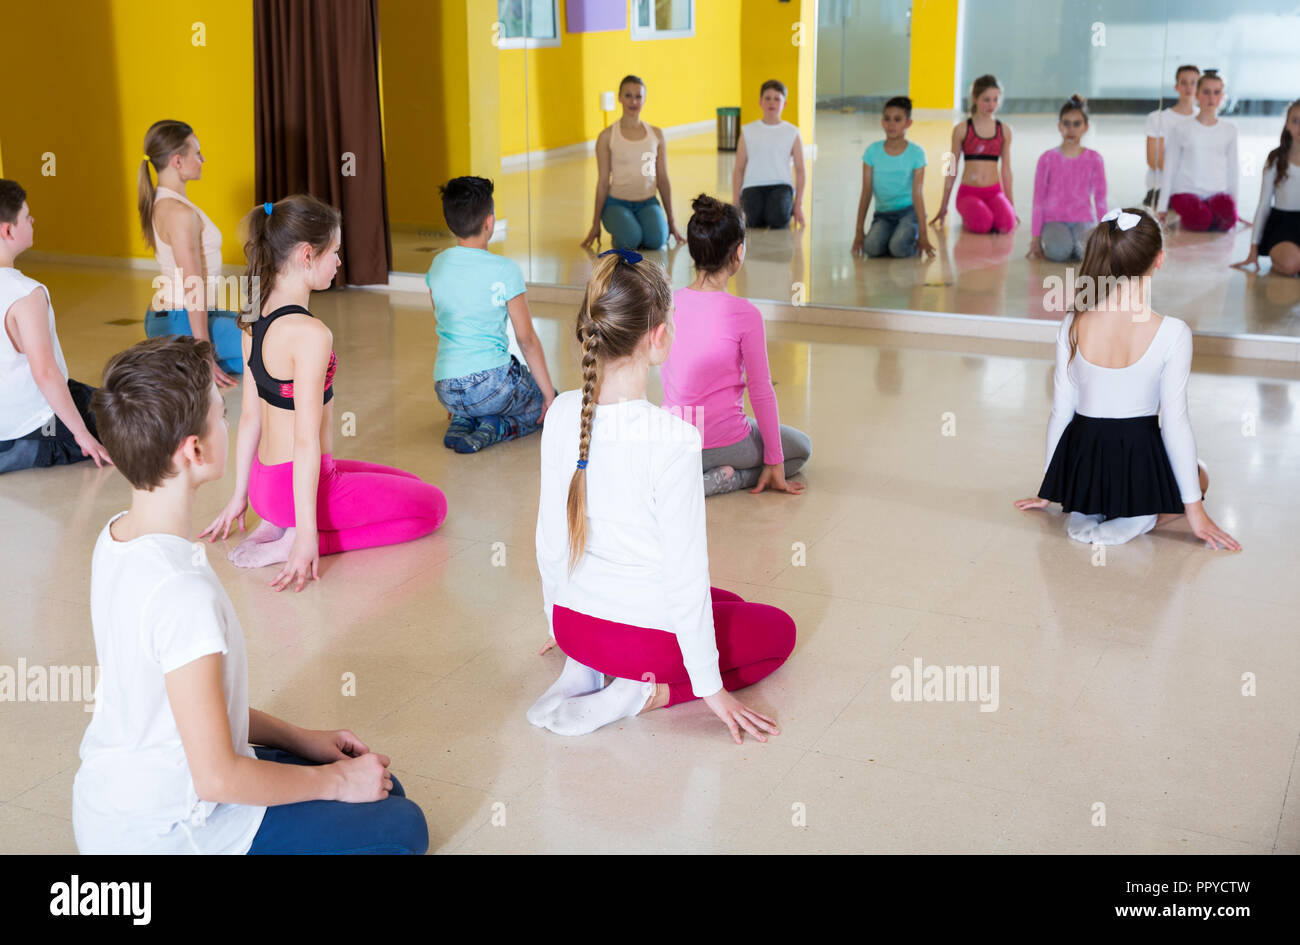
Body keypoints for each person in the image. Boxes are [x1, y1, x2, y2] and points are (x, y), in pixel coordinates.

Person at [73, 336, 428, 854]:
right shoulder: (181, 594)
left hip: (117, 805)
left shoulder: (117, 537)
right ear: (193, 449)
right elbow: (216, 779)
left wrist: (304, 740)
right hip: (168, 833)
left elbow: (190, 707)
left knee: (382, 788)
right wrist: (336, 783)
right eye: (221, 416)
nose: (231, 423)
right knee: (402, 826)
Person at [529, 250, 796, 742]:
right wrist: (709, 688)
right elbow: (685, 576)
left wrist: (559, 617)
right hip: (640, 649)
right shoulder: (673, 440)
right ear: (658, 337)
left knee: (730, 602)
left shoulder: (564, 412)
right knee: (779, 631)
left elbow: (548, 539)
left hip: (574, 630)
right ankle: (644, 693)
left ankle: (587, 669)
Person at [202, 195, 447, 590]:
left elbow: (250, 417)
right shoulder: (311, 335)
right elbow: (303, 440)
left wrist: (240, 497)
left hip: (268, 484)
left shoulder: (254, 315)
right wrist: (307, 535)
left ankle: (282, 524)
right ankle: (296, 539)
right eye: (334, 252)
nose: (337, 261)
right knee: (432, 507)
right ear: (306, 255)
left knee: (411, 480)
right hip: (296, 487)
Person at [1015, 208, 1239, 551]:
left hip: (1083, 469)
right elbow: (1175, 423)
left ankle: (1095, 509)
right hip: (1136, 463)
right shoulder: (1173, 333)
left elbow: (1061, 411)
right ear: (1159, 260)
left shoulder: (1073, 323)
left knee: (1094, 447)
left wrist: (1051, 488)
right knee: (1201, 471)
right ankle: (1142, 515)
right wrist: (1196, 511)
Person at [662, 195, 811, 497]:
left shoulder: (668, 304)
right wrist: (774, 459)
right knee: (800, 448)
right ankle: (731, 479)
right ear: (738, 253)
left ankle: (696, 474)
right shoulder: (746, 315)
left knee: (750, 426)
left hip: (676, 443)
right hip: (725, 442)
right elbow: (761, 391)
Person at [427, 176, 556, 452]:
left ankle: (464, 417)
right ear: (490, 222)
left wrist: (458, 390)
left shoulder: (437, 266)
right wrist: (547, 395)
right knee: (546, 403)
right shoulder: (504, 270)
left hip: (445, 387)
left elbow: (445, 321)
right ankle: (497, 426)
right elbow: (527, 339)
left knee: (493, 385)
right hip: (491, 386)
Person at [0, 179, 112, 474]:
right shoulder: (26, 293)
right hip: (36, 423)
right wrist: (82, 436)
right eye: (27, 216)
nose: (32, 220)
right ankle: (28, 448)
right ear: (8, 230)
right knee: (131, 416)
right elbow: (45, 373)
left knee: (90, 395)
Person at [138, 119, 242, 387]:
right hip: (179, 319)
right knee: (268, 345)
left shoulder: (169, 203)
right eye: (197, 152)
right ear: (177, 161)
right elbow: (191, 283)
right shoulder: (178, 213)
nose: (203, 158)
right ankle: (190, 359)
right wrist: (203, 352)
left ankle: (178, 364)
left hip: (180, 316)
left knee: (262, 335)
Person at [581, 75, 685, 251]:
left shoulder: (656, 135)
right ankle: (623, 229)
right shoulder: (607, 136)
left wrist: (672, 222)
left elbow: (663, 179)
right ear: (619, 98)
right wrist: (595, 224)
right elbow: (603, 182)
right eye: (628, 95)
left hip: (648, 202)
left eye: (638, 96)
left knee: (656, 240)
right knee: (631, 240)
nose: (633, 101)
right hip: (616, 203)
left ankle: (639, 225)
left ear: (644, 100)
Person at [932, 74, 1018, 234]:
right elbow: (951, 169)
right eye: (986, 99)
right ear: (975, 98)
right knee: (983, 224)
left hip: (994, 192)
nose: (991, 105)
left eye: (995, 99)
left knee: (1007, 224)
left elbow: (1006, 170)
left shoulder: (1005, 130)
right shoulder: (961, 130)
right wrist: (943, 206)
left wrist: (1010, 205)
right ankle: (973, 213)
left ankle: (990, 211)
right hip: (969, 193)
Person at [1156, 70, 1242, 232]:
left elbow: (1233, 169)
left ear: (1222, 96)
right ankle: (1203, 213)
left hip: (1216, 191)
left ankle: (1209, 210)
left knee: (1227, 222)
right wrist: (1162, 208)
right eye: (1206, 92)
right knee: (1202, 221)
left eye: (1216, 92)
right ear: (1197, 94)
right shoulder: (1181, 129)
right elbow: (1170, 167)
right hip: (1185, 191)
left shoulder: (1230, 129)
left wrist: (1235, 207)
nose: (1211, 98)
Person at [1027, 95, 1107, 262]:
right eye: (1066, 124)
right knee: (1058, 252)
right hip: (1054, 220)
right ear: (1059, 126)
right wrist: (1035, 237)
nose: (1071, 129)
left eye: (1077, 124)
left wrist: (1105, 232)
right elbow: (1038, 199)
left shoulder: (1094, 159)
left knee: (1086, 253)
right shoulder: (1047, 159)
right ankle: (1063, 244)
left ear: (1086, 127)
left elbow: (1100, 199)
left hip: (1083, 220)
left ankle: (1073, 244)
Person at [852, 96, 933, 258]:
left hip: (909, 212)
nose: (891, 124)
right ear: (882, 121)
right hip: (883, 215)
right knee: (872, 248)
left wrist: (924, 234)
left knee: (898, 248)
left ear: (908, 123)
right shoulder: (872, 152)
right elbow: (866, 191)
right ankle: (894, 234)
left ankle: (913, 230)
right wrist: (859, 231)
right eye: (887, 119)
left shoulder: (917, 153)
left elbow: (917, 194)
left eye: (897, 119)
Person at [1233, 99, 1300, 276]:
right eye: (1295, 121)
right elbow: (1263, 204)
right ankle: (1281, 257)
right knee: (1292, 265)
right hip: (1283, 224)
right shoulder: (1276, 159)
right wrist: (1253, 248)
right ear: (1287, 124)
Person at [731, 79, 807, 229]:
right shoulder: (747, 130)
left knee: (778, 218)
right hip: (753, 186)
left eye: (777, 99)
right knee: (751, 220)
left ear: (784, 104)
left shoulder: (793, 132)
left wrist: (798, 205)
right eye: (767, 98)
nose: (771, 102)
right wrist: (736, 203)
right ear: (760, 102)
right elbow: (739, 168)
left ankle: (783, 208)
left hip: (781, 186)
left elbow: (800, 170)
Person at [1143, 64, 1199, 208]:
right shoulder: (1157, 118)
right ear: (1176, 87)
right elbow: (1154, 160)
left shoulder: (1203, 119)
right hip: (1162, 189)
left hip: (1195, 188)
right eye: (1184, 82)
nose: (1189, 87)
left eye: (1194, 83)